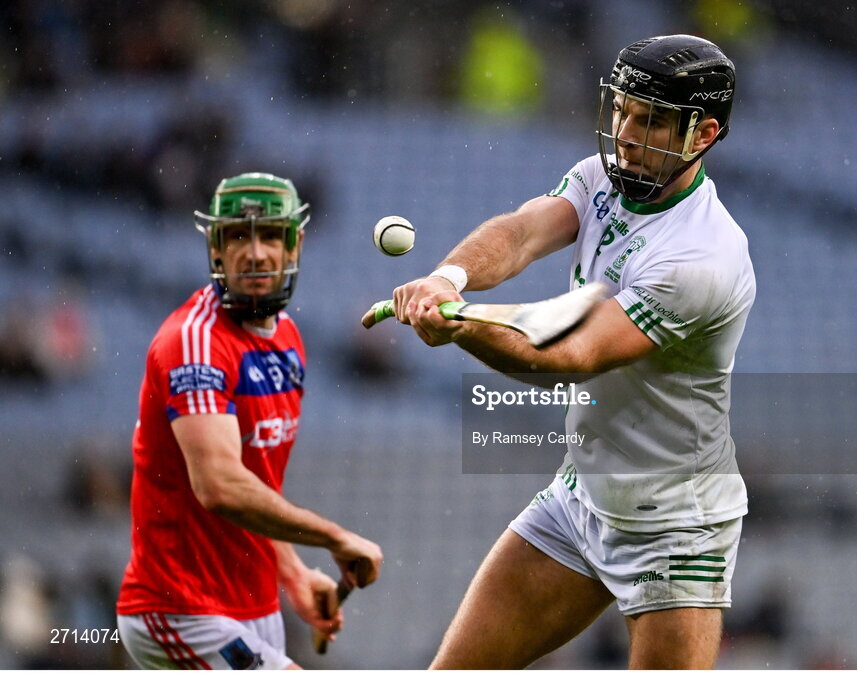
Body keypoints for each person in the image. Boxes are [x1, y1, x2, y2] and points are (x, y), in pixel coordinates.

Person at [392, 35, 754, 669]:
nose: (627, 135)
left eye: (652, 121)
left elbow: (571, 353)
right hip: (581, 495)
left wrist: (460, 324)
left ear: (704, 134)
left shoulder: (702, 258)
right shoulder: (599, 178)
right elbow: (520, 233)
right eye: (622, 111)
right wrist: (448, 279)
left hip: (674, 526)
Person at [116, 173, 383, 670]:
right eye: (238, 236)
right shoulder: (194, 342)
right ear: (216, 249)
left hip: (255, 608)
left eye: (271, 236)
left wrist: (293, 573)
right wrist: (332, 536)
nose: (255, 254)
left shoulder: (288, 340)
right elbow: (220, 487)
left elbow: (255, 483)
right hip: (180, 609)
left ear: (294, 246)